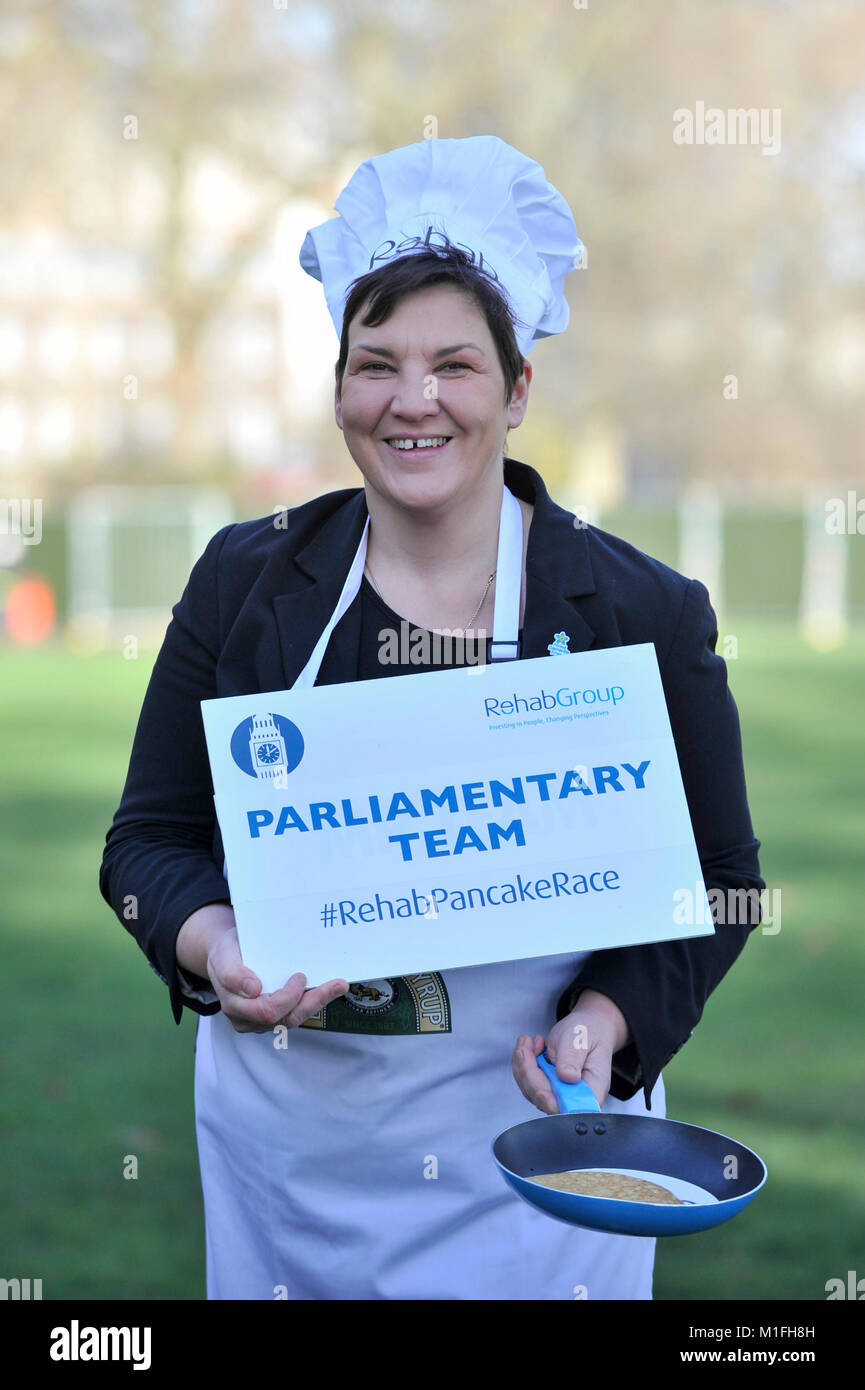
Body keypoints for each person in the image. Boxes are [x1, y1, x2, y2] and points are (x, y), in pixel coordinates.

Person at [99, 136, 765, 1301]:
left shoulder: (640, 612)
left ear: (515, 389)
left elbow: (716, 879)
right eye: (376, 364)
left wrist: (605, 1021)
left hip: (544, 1168)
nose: (413, 401)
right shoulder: (244, 583)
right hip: (293, 1165)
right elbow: (146, 843)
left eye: (455, 364)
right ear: (340, 386)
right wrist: (216, 947)